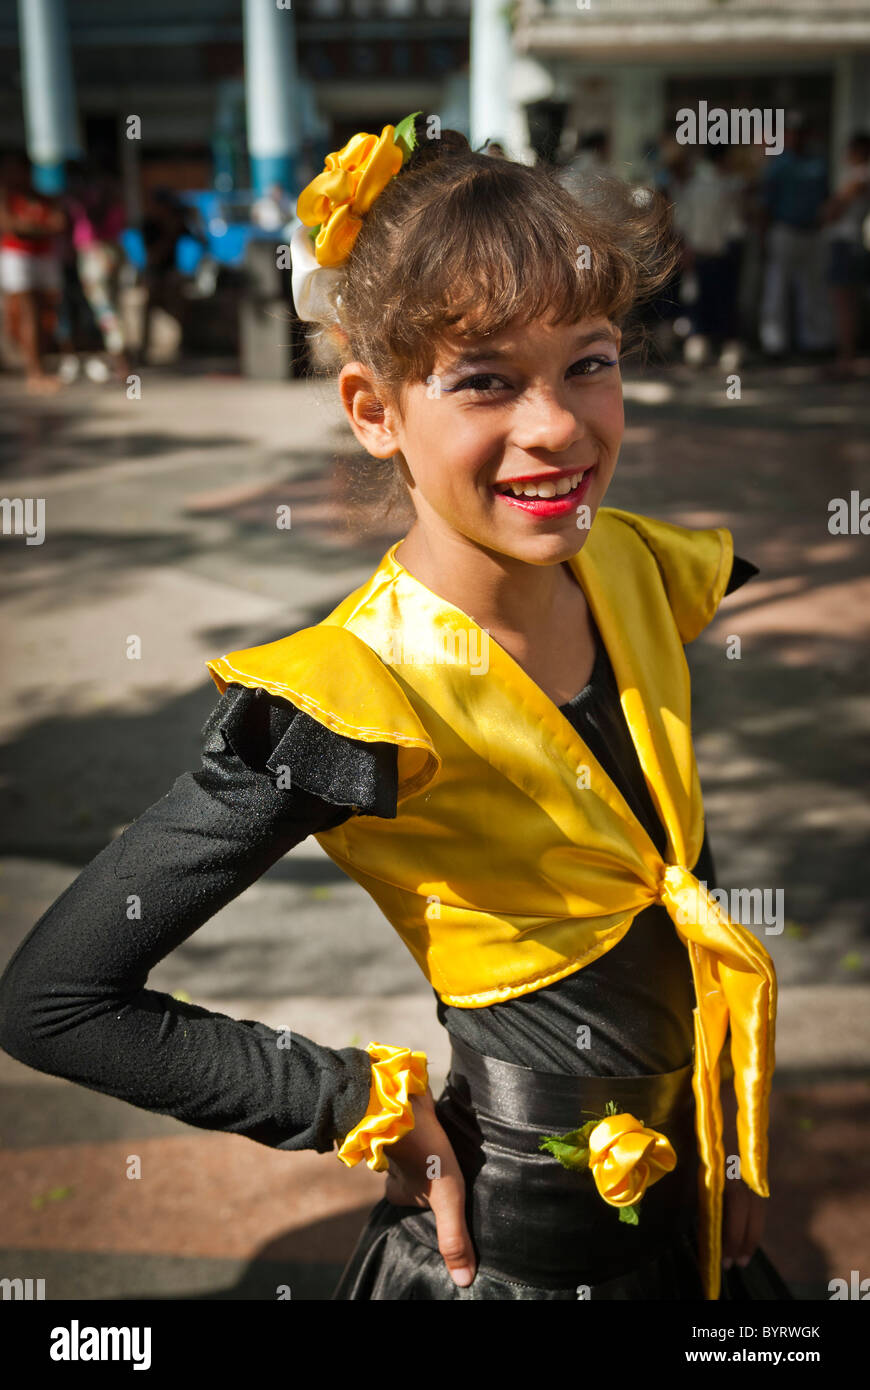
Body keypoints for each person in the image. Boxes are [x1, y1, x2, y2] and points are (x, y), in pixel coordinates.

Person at [0, 115, 792, 1302]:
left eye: (590, 359)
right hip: (514, 1253)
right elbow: (56, 1000)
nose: (560, 426)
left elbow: (672, 859)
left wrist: (725, 1137)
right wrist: (346, 1103)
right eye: (485, 381)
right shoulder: (348, 697)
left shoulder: (632, 562)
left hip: (691, 1206)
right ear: (374, 409)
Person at [758, 113, 833, 357]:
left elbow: (826, 199)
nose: (796, 136)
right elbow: (766, 203)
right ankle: (774, 344)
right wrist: (764, 235)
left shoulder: (818, 163)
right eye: (792, 132)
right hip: (784, 230)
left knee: (813, 289)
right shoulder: (779, 164)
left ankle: (815, 342)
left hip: (812, 231)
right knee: (777, 288)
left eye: (801, 131)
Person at [0, 151, 66, 393]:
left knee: (45, 314)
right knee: (28, 313)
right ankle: (34, 372)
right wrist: (40, 228)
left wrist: (31, 228)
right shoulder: (7, 197)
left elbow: (59, 223)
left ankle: (40, 367)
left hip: (43, 257)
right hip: (18, 257)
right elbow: (9, 226)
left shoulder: (41, 197)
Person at [821, 131, 870, 375]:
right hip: (851, 244)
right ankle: (847, 356)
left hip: (848, 244)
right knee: (849, 303)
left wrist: (828, 209)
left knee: (845, 304)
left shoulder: (860, 175)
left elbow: (832, 210)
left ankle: (846, 359)